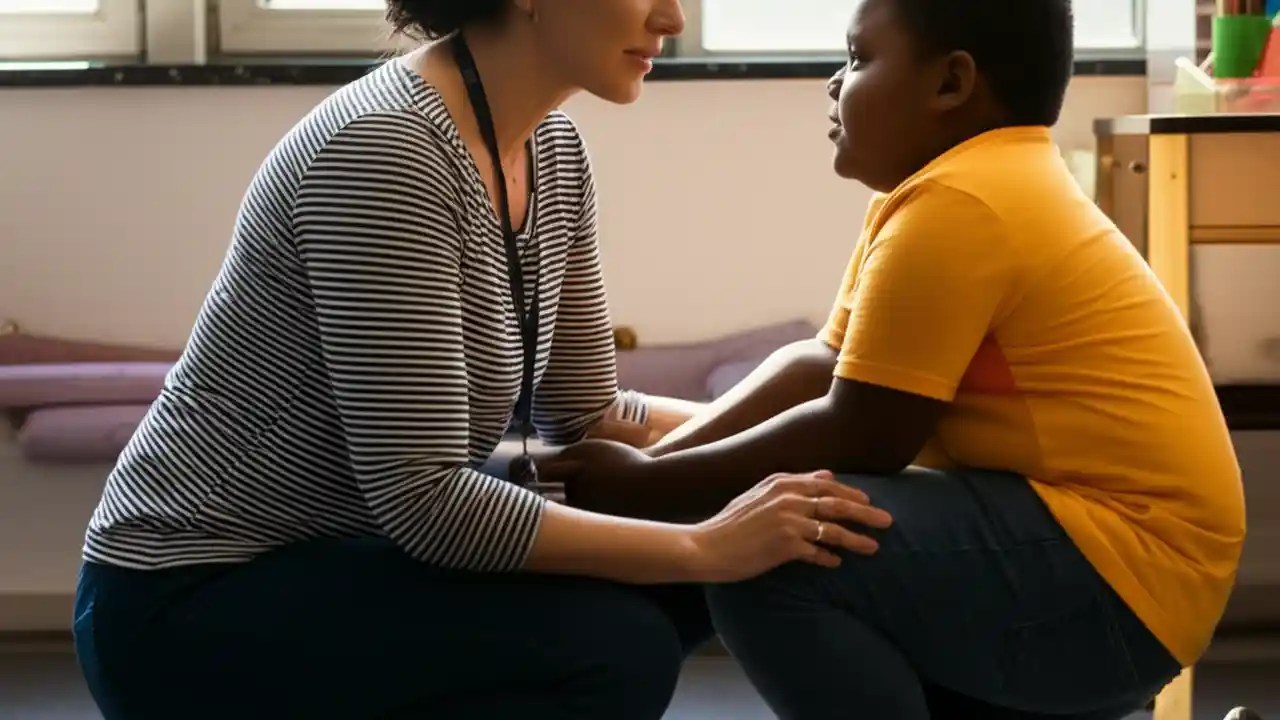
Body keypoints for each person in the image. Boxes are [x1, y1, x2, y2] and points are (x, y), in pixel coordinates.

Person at [69, 2, 897, 719]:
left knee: (688, 586)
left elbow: (589, 415)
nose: (672, 20)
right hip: (187, 600)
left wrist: (812, 434)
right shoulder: (386, 150)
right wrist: (703, 544)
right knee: (619, 645)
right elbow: (426, 502)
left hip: (344, 556)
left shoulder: (553, 153)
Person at [546, 0, 1248, 717]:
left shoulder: (964, 202)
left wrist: (648, 493)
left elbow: (864, 433)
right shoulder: (957, 188)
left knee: (781, 550)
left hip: (1117, 578)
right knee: (797, 522)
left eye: (857, 59)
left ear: (950, 84)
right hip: (1114, 563)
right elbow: (820, 367)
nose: (834, 83)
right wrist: (657, 473)